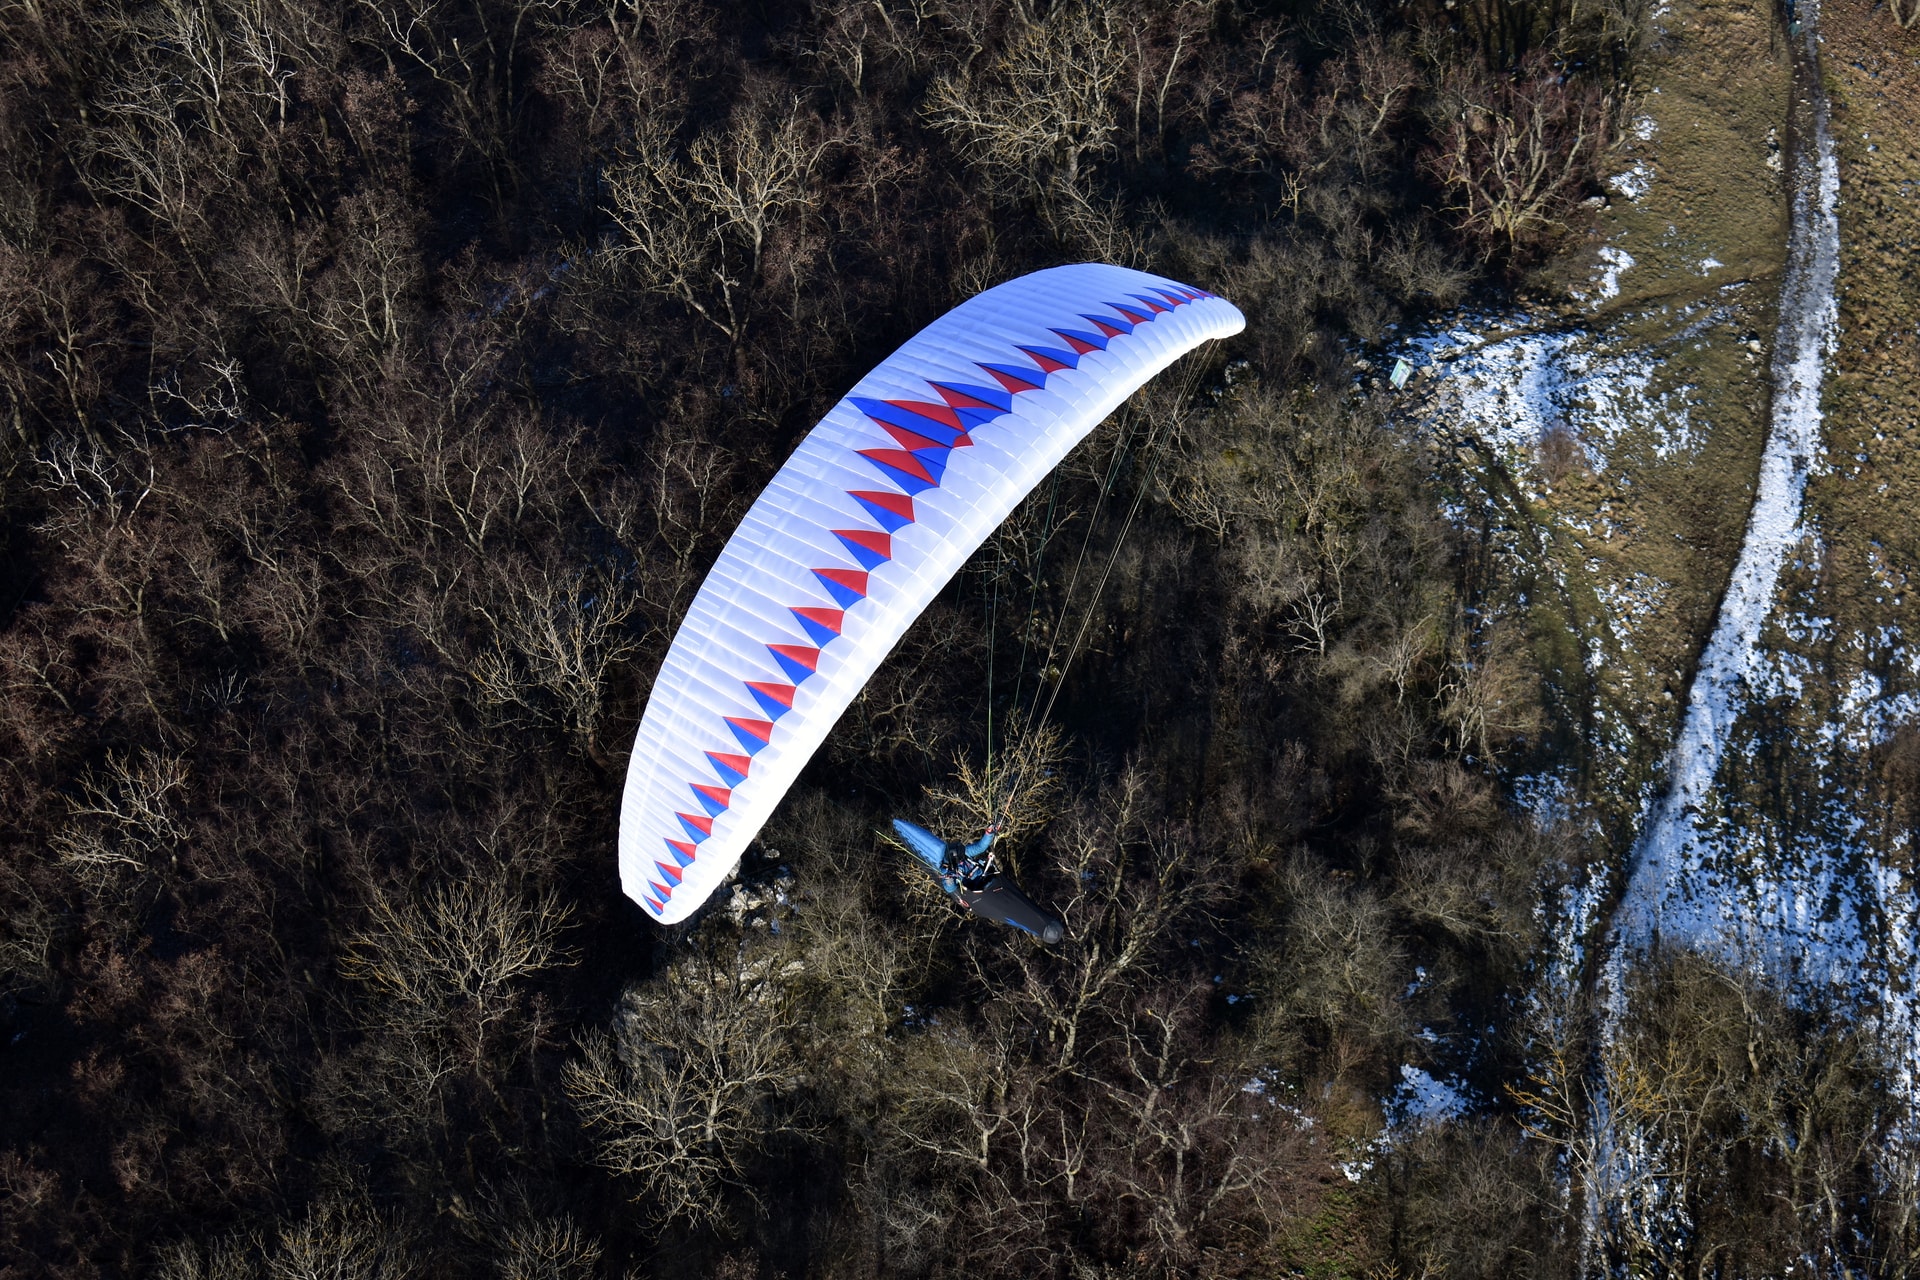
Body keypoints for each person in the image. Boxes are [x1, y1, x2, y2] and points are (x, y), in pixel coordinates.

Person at [891, 818, 1065, 945]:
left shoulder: (963, 857)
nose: (961, 860)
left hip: (986, 886)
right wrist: (949, 879)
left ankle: (1045, 927)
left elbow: (980, 847)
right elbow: (950, 888)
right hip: (982, 890)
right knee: (1016, 906)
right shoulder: (947, 868)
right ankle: (1043, 927)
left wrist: (989, 834)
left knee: (1020, 905)